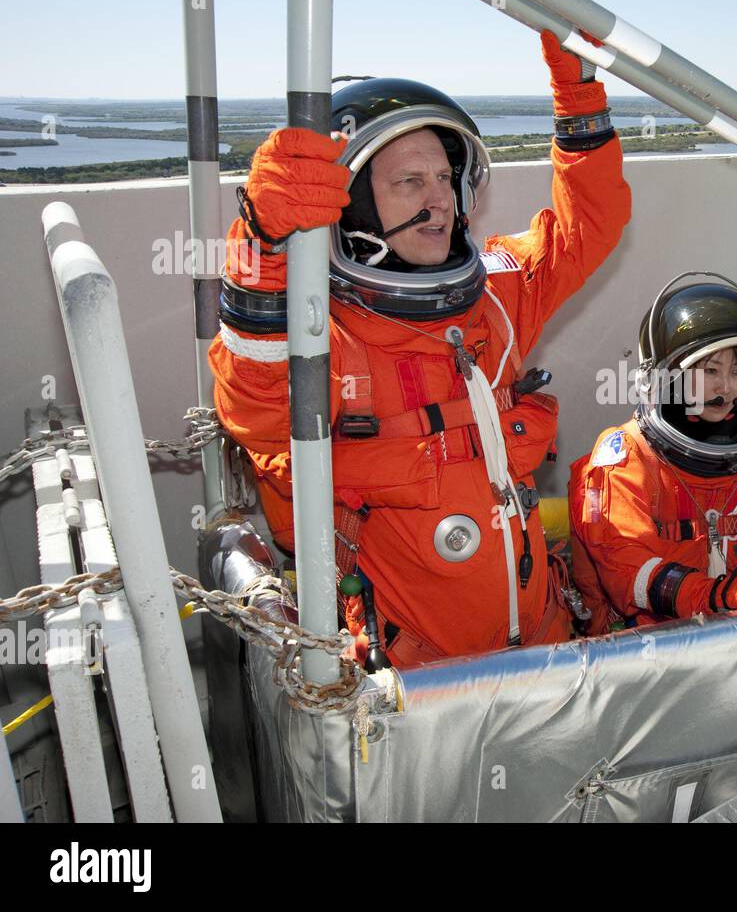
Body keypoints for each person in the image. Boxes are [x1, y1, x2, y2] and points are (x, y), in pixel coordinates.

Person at [210, 33, 631, 666]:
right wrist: (261, 240)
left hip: (541, 643)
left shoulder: (498, 296)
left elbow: (588, 225)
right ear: (351, 208)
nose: (437, 200)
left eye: (443, 177)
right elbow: (257, 414)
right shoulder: (321, 332)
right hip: (411, 678)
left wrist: (580, 98)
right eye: (409, 181)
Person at [568, 274, 737, 645]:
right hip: (641, 646)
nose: (726, 387)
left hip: (734, 632)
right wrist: (713, 594)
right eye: (710, 370)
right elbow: (625, 567)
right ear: (668, 374)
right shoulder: (627, 457)